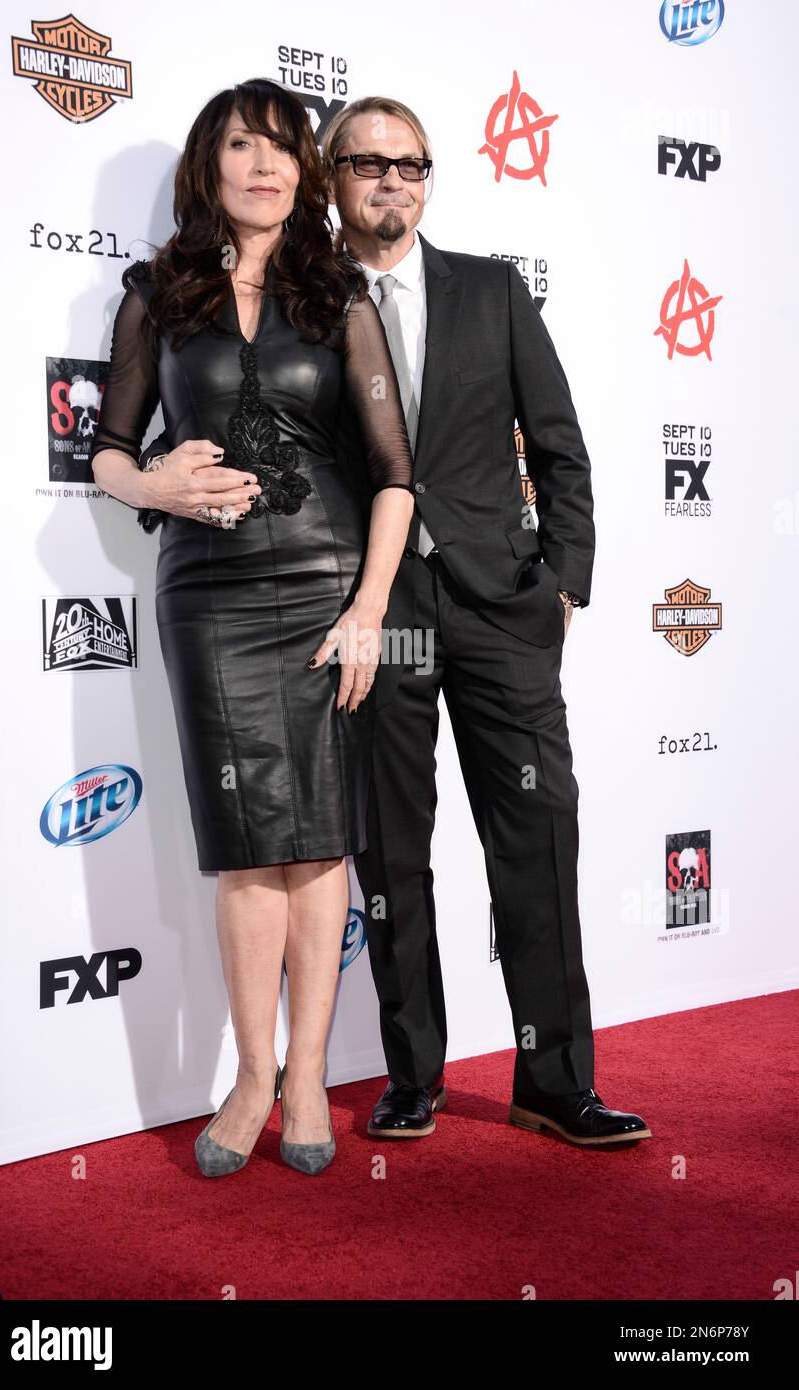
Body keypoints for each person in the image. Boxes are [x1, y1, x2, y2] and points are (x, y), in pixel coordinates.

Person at [90, 79, 414, 1177]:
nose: (265, 166)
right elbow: (106, 450)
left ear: (305, 172)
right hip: (209, 594)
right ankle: (250, 1076)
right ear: (209, 164)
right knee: (245, 855)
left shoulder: (341, 299)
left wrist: (371, 610)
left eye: (283, 149)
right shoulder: (157, 293)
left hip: (326, 588)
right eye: (243, 146)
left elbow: (393, 475)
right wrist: (156, 488)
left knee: (318, 843)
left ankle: (312, 1074)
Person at [321, 96, 651, 1147]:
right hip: (383, 613)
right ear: (333, 177)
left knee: (538, 836)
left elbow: (559, 447)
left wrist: (562, 581)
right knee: (394, 849)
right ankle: (412, 1074)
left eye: (412, 163)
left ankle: (554, 1078)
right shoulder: (301, 302)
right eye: (370, 162)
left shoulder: (494, 291)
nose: (394, 180)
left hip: (501, 611)